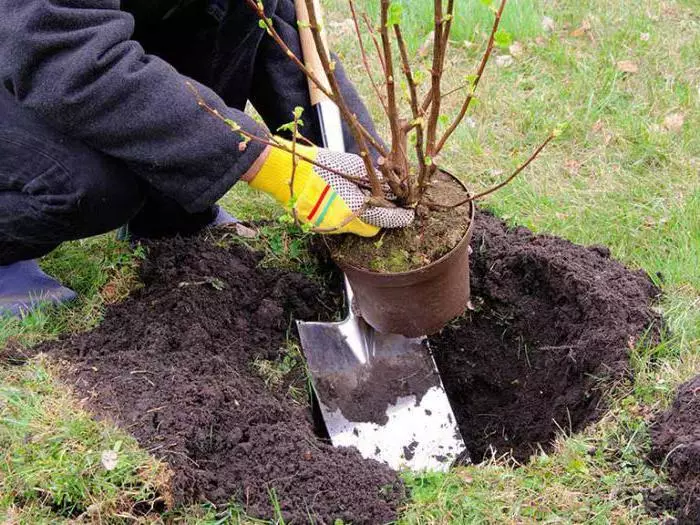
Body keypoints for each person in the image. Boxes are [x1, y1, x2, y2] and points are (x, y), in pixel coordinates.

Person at [0, 0, 413, 317]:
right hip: (32, 42)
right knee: (89, 186)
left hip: (55, 41)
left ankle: (170, 211)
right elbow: (60, 49)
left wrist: (362, 167)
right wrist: (261, 159)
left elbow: (275, 27)